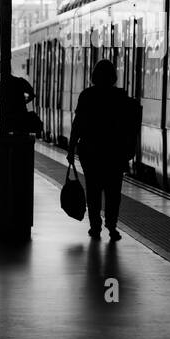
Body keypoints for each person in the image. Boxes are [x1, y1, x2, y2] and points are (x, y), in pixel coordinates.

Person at [67, 58, 130, 241]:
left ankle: (95, 226)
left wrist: (71, 149)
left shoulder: (87, 95)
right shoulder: (120, 97)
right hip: (114, 153)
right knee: (113, 192)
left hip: (90, 151)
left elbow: (77, 124)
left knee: (93, 191)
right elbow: (127, 127)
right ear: (113, 76)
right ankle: (112, 226)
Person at [0, 61, 35, 135]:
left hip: (6, 121)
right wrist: (23, 102)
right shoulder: (20, 82)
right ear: (10, 69)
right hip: (21, 119)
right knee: (21, 143)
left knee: (7, 142)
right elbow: (32, 95)